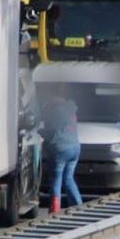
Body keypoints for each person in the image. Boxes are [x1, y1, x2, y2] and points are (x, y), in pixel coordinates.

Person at [41, 83, 82, 213]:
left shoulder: (56, 110)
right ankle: (79, 207)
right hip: (75, 147)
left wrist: (40, 131)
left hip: (61, 148)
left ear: (53, 95)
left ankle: (54, 210)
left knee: (56, 179)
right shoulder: (70, 107)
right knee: (69, 179)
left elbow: (53, 132)